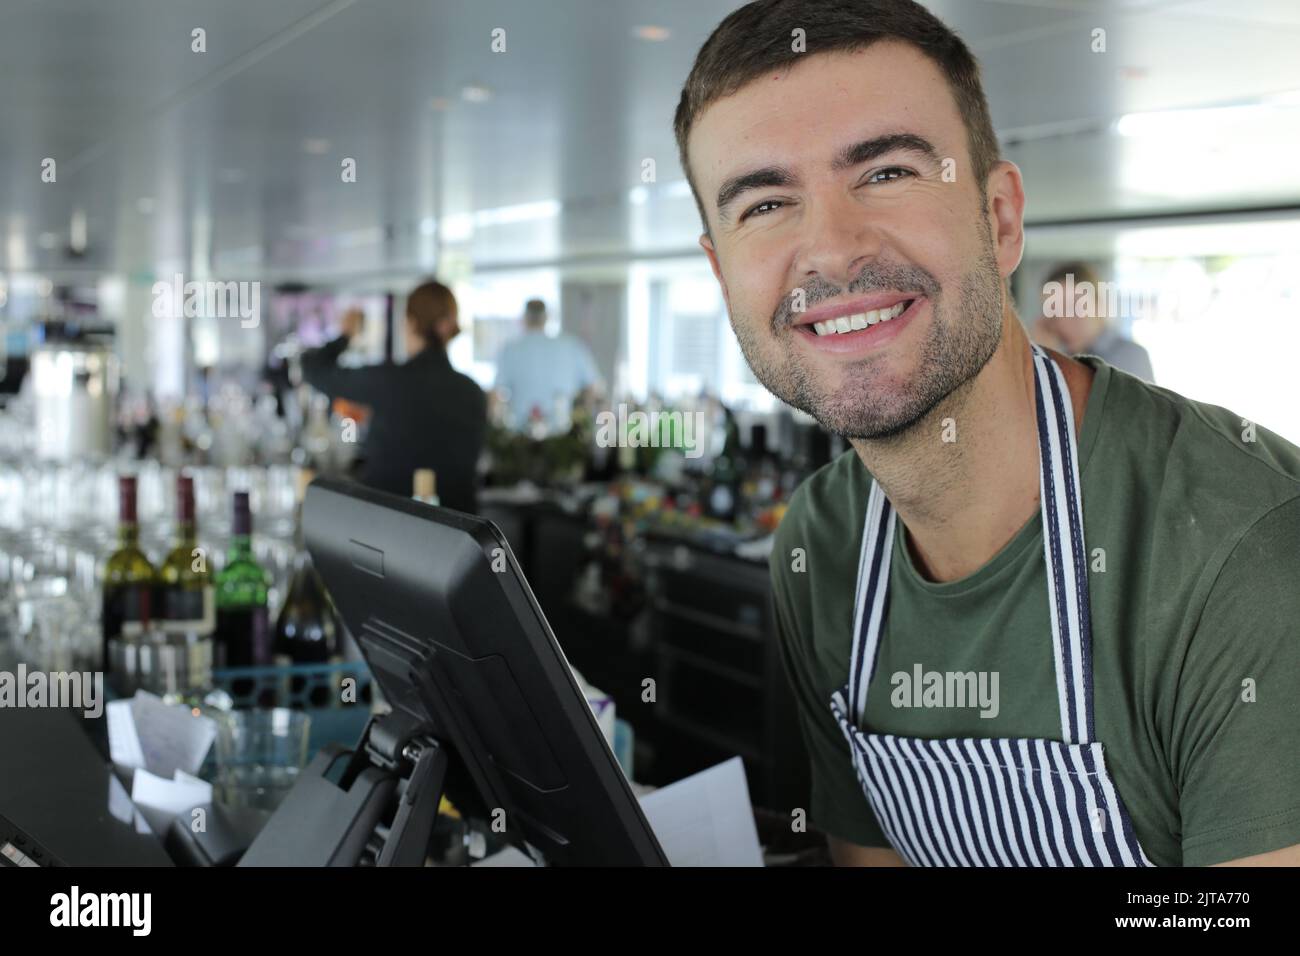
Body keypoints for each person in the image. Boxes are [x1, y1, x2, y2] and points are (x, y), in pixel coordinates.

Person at [675, 0, 1300, 866]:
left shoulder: (1248, 553)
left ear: (1000, 220)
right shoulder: (822, 546)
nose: (830, 250)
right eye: (766, 203)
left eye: (886, 172)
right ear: (720, 270)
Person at [299, 281, 486, 513]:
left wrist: (346, 334)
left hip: (389, 528)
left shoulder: (389, 381)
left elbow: (313, 369)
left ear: (410, 323)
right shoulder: (474, 393)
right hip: (458, 533)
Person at [1031, 261, 1155, 381]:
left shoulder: (1131, 355)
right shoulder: (1058, 352)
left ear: (1097, 303)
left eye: (1073, 307)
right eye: (1054, 312)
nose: (1063, 320)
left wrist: (1052, 360)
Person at [492, 299, 601, 432]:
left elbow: (495, 396)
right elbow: (593, 388)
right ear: (546, 318)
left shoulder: (509, 349)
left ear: (525, 318)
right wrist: (584, 423)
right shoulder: (570, 346)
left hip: (520, 439)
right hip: (563, 438)